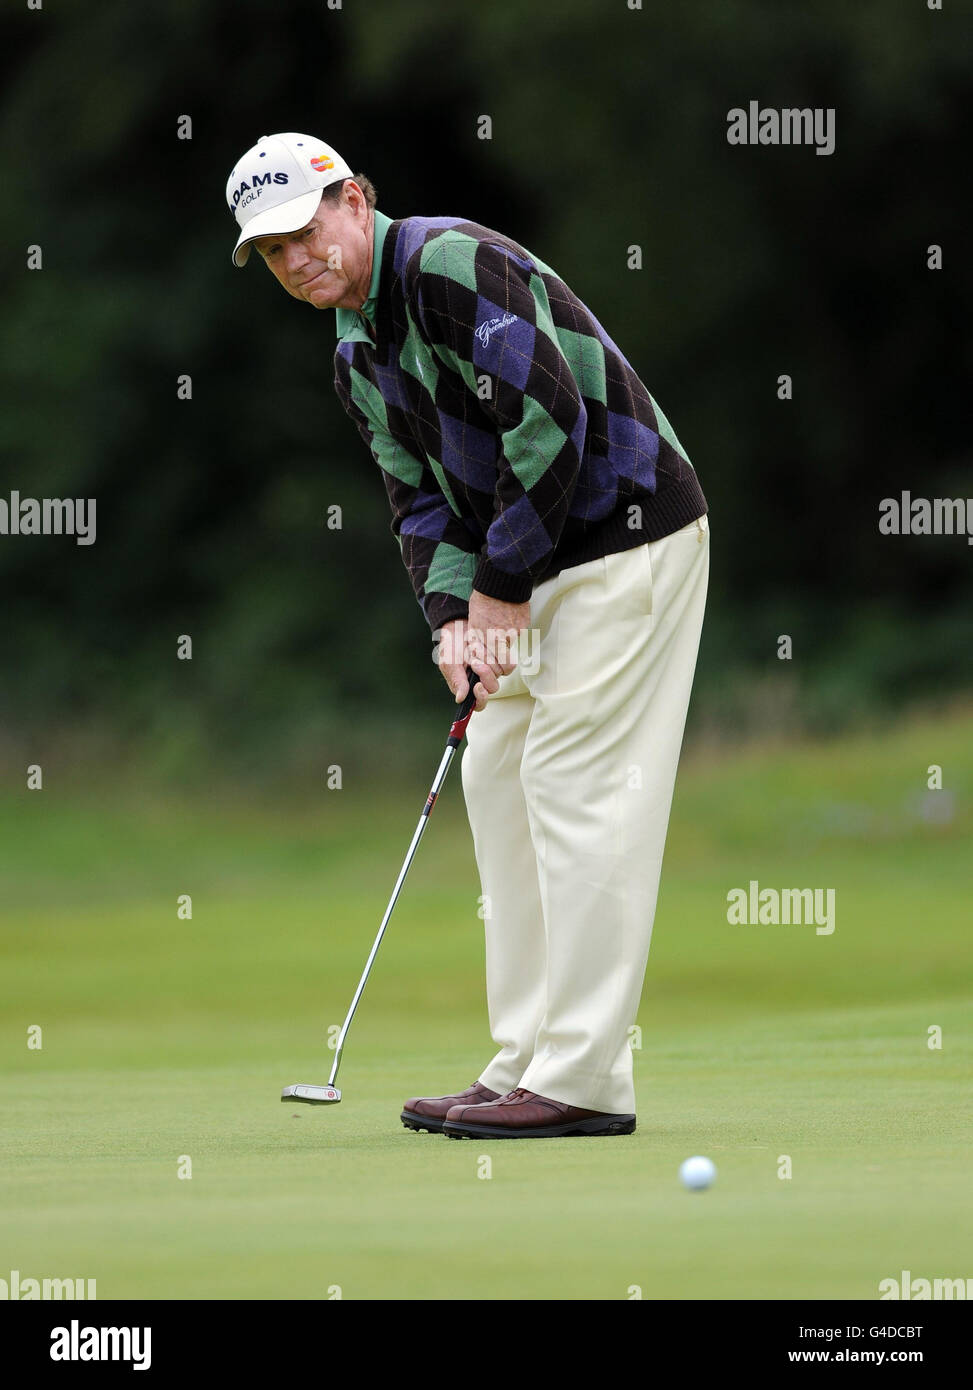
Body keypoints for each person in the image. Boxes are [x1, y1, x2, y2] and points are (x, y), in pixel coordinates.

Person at [226, 132, 710, 1140]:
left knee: (572, 784)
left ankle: (582, 1079)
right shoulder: (355, 352)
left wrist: (496, 592)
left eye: (301, 230)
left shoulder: (447, 263)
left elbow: (550, 420)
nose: (295, 258)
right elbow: (418, 502)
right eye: (271, 252)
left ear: (353, 200)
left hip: (624, 535)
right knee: (496, 774)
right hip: (531, 561)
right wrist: (453, 622)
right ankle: (523, 1059)